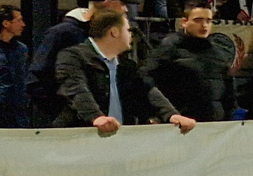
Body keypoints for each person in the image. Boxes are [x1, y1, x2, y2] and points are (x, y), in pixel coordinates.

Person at [52, 9, 196, 134]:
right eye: (127, 30)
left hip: (118, 141)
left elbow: (147, 90)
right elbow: (76, 89)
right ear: (114, 32)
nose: (131, 36)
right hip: (79, 140)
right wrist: (96, 117)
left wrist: (172, 115)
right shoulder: (72, 56)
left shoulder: (126, 65)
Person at [149, 5, 238, 122]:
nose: (204, 25)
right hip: (180, 125)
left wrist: (228, 119)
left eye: (208, 21)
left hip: (216, 126)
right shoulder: (168, 48)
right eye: (198, 20)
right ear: (184, 22)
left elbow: (229, 93)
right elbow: (150, 83)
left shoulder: (218, 53)